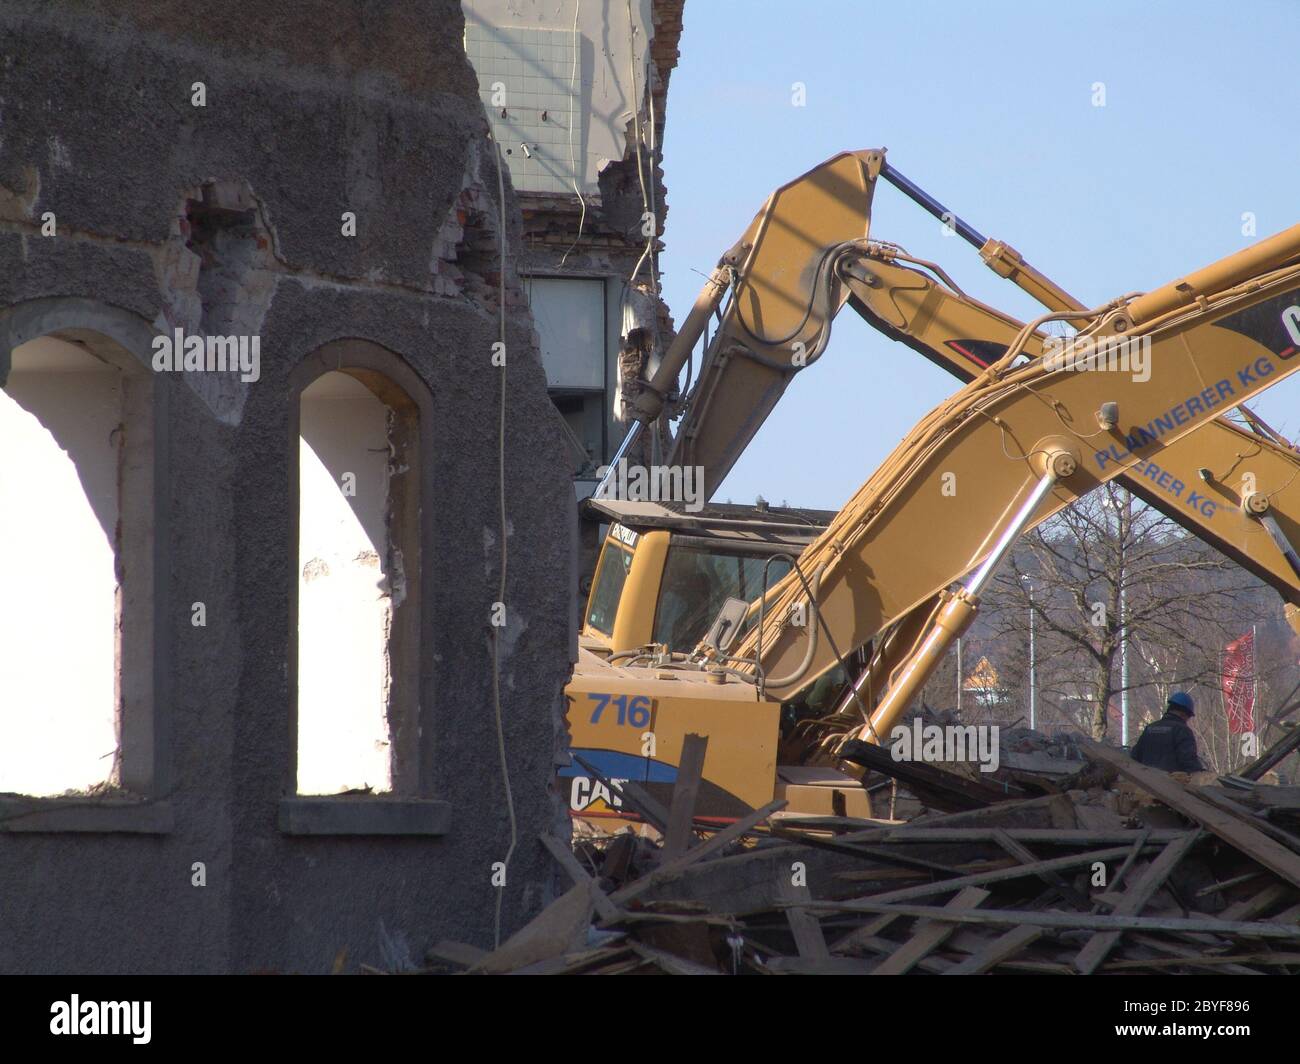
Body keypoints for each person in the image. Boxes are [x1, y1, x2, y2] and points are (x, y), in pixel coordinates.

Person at [1130, 691, 1204, 772]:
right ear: (1183, 714)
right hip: (1171, 783)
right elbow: (1189, 761)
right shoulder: (1182, 730)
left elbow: (1135, 756)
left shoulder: (1150, 728)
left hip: (1145, 781)